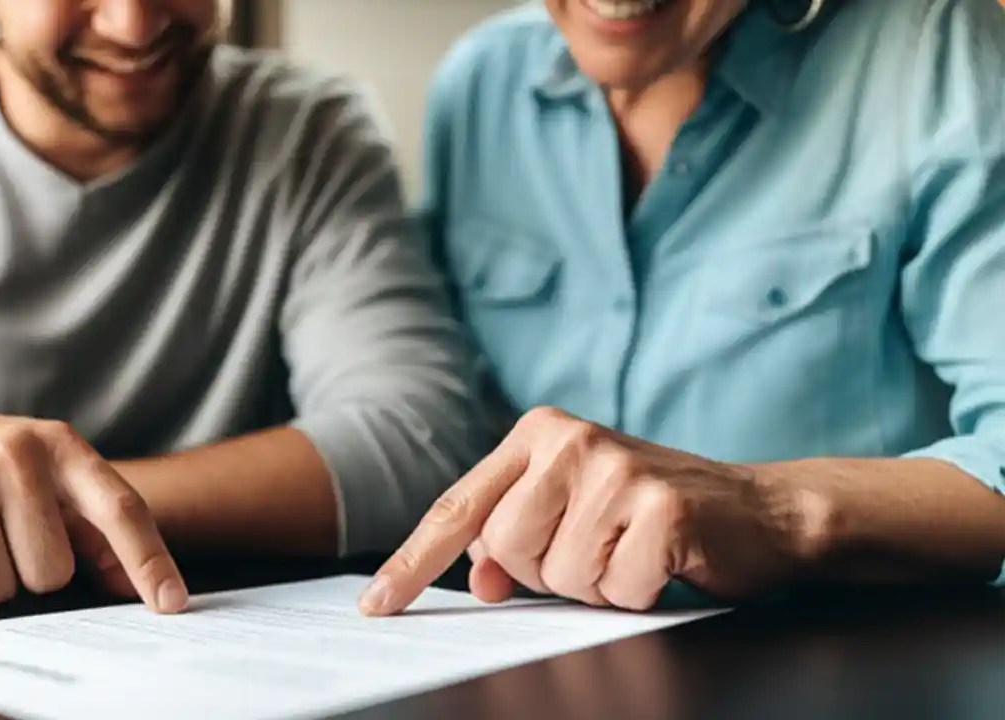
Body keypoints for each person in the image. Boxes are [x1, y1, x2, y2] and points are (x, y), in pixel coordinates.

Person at [0, 0, 487, 612]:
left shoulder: (310, 131)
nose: (133, 26)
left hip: (219, 642)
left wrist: (19, 506)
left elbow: (413, 445)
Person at [360, 0, 1005, 617]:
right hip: (537, 654)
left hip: (845, 653)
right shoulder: (479, 82)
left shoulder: (930, 48)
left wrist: (774, 512)